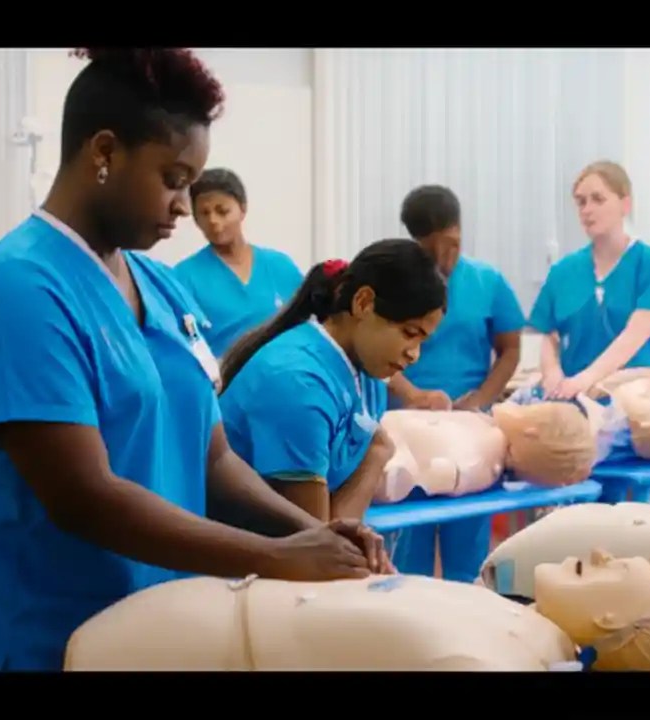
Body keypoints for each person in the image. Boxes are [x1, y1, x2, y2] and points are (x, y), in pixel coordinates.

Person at [0, 48, 389, 673]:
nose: (184, 206)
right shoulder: (17, 290)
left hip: (153, 629)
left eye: (191, 185)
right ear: (105, 153)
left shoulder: (159, 284)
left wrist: (309, 530)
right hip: (37, 636)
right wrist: (273, 557)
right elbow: (83, 496)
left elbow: (213, 457)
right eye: (173, 179)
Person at [217, 239, 447, 528]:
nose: (414, 354)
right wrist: (376, 455)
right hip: (245, 556)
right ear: (363, 303)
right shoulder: (296, 382)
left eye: (423, 340)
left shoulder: (367, 372)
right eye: (409, 333)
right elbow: (316, 542)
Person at [385, 185, 524, 583]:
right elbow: (370, 351)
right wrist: (412, 395)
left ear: (460, 232)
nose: (444, 259)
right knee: (408, 551)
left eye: (452, 246)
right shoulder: (396, 284)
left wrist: (480, 399)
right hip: (409, 432)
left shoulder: (487, 282)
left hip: (469, 431)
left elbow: (510, 350)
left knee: (468, 553)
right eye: (432, 251)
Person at [528, 160, 650, 400]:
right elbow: (548, 336)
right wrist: (552, 374)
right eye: (581, 202)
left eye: (598, 199)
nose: (587, 209)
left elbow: (633, 336)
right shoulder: (563, 272)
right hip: (573, 399)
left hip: (636, 402)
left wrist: (585, 380)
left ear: (625, 204)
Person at [173, 168, 304, 357]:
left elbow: (308, 325)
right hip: (227, 383)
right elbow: (183, 349)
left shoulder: (280, 267)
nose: (213, 221)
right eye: (204, 213)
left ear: (242, 209)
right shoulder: (183, 278)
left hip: (286, 377)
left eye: (222, 211)